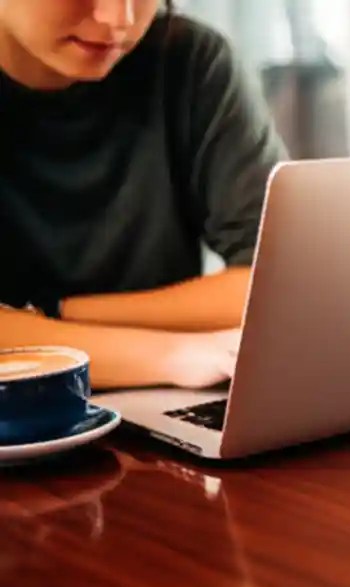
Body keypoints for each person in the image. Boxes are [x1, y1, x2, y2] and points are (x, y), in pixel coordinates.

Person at [0, 0, 287, 389]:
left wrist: (56, 314)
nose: (120, 19)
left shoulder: (188, 61)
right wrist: (173, 356)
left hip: (158, 407)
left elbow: (277, 283)